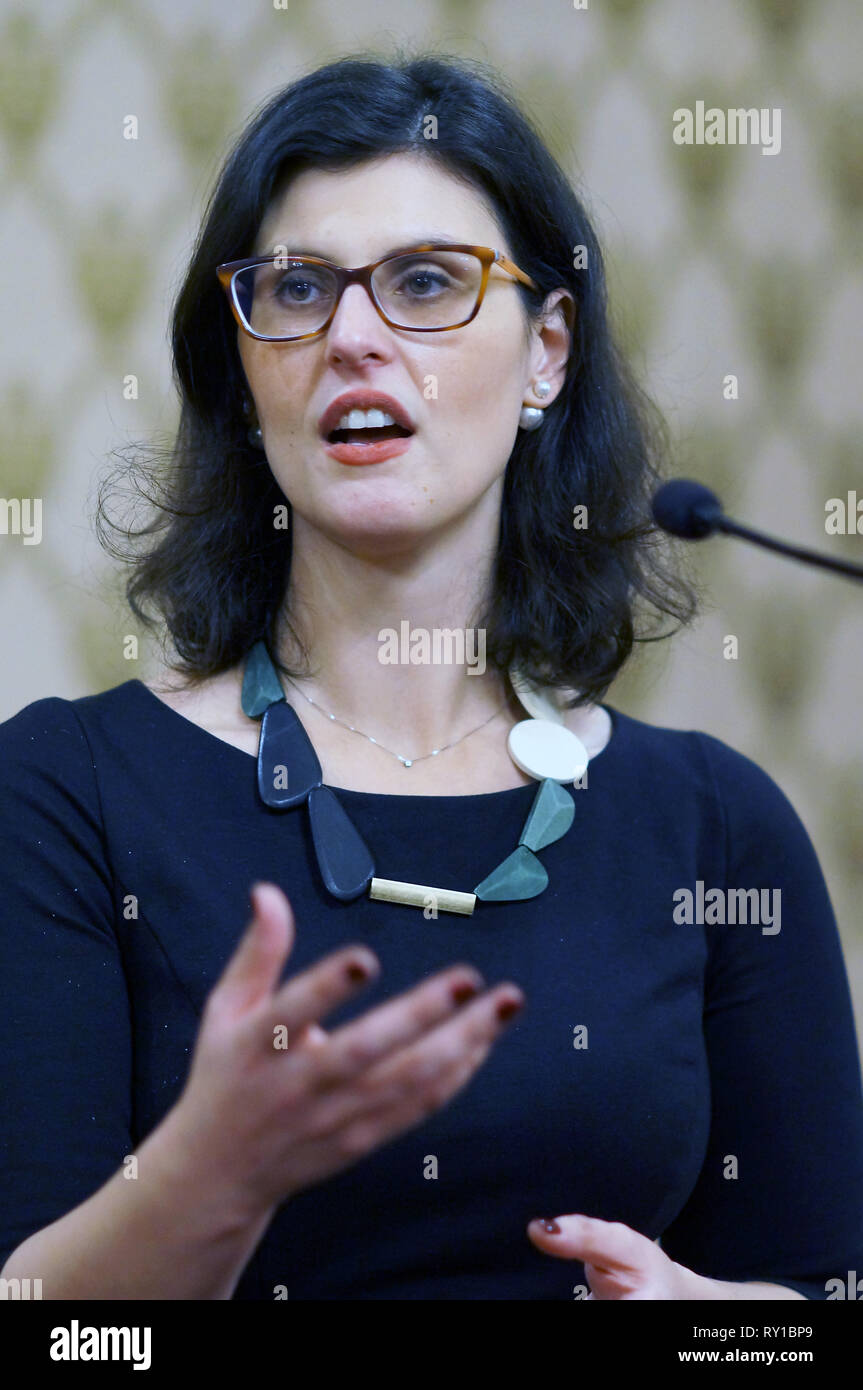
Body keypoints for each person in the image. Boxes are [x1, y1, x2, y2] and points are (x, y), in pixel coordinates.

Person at [1, 51, 861, 1303]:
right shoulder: (64, 793)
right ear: (245, 380)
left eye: (423, 282)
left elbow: (818, 1305)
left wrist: (713, 1327)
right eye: (296, 289)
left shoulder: (716, 831)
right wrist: (204, 1181)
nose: (352, 335)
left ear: (545, 353)